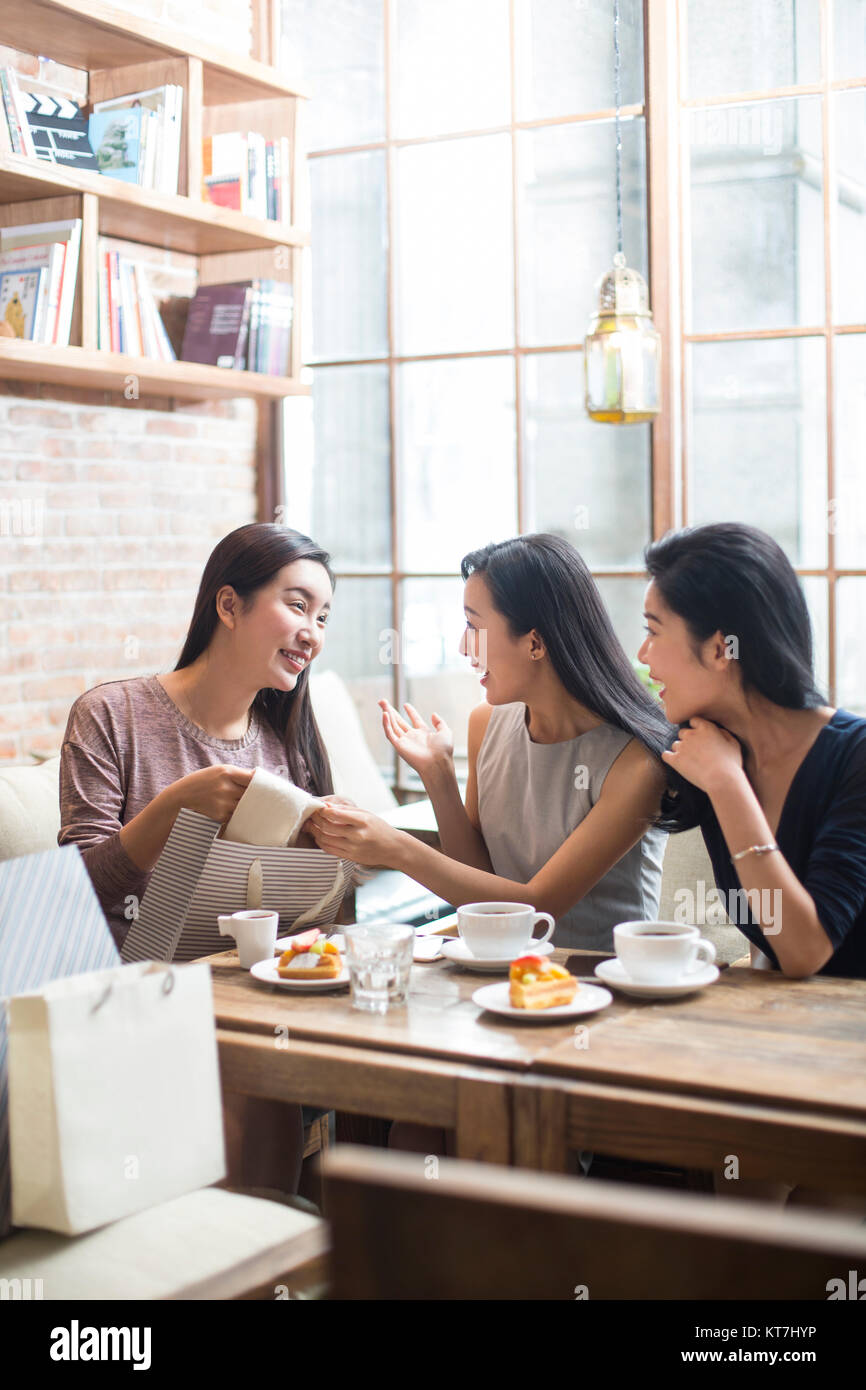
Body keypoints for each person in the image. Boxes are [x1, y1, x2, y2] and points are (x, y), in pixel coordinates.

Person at [59, 521, 343, 1196]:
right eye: (298, 605)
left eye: (324, 617)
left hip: (253, 993)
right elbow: (76, 892)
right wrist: (175, 809)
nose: (314, 632)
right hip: (132, 992)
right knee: (251, 1065)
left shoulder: (288, 744)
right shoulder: (113, 715)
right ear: (228, 605)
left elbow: (313, 913)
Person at [310, 533, 670, 952]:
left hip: (603, 987)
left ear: (534, 642)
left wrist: (396, 848)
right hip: (498, 974)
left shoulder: (636, 760)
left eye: (473, 626)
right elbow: (478, 880)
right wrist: (438, 774)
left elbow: (537, 914)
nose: (464, 647)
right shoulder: (486, 723)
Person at [639, 521, 866, 982]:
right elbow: (769, 942)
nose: (643, 654)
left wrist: (728, 785)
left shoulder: (855, 756)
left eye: (655, 632)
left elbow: (805, 950)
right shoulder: (710, 746)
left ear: (722, 648)